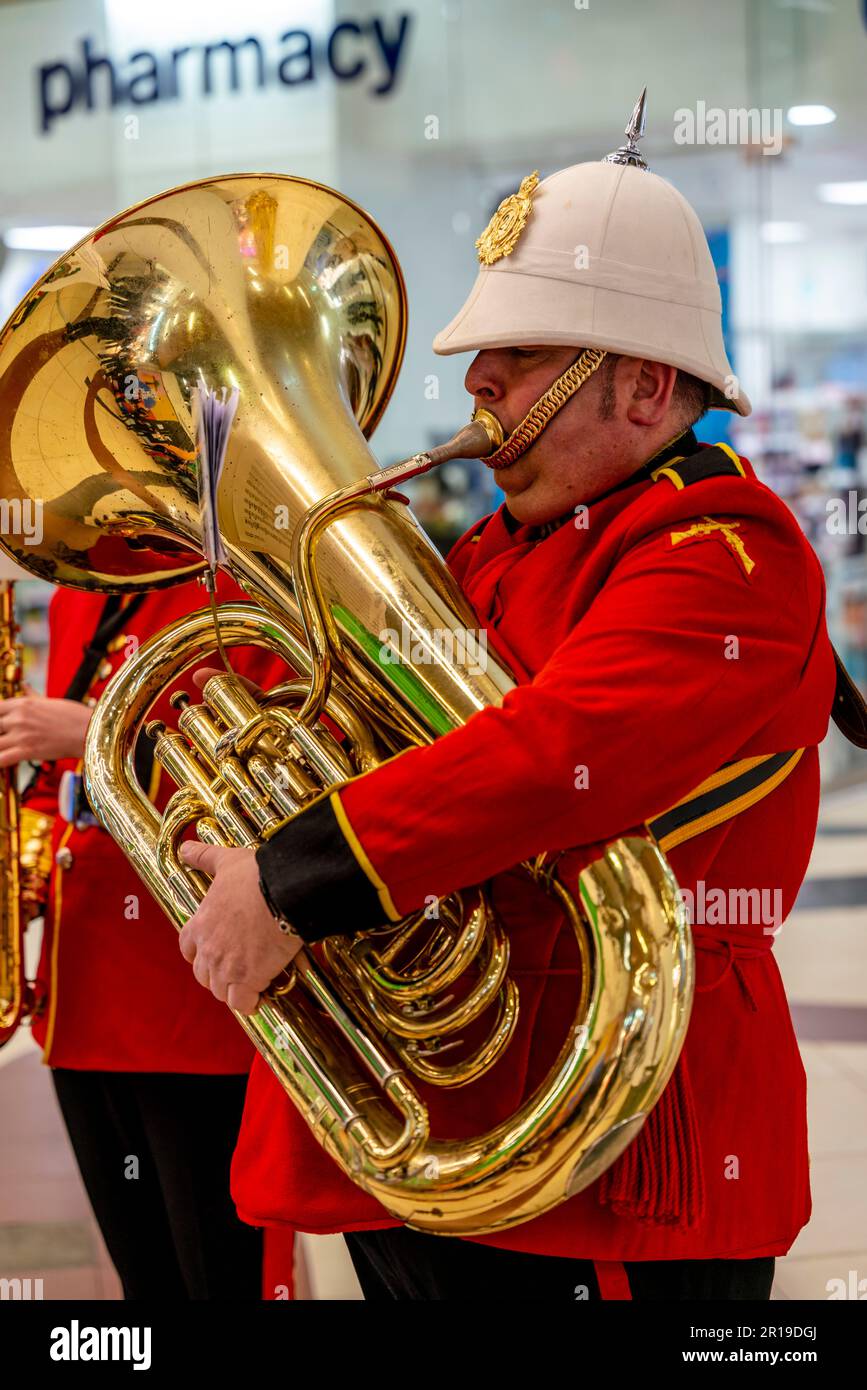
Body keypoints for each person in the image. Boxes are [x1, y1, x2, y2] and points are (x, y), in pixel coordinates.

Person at [172, 104, 858, 1300]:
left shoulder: (725, 551)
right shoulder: (501, 546)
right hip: (445, 1104)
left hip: (609, 1134)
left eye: (528, 354)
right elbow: (391, 747)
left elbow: (554, 751)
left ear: (646, 389)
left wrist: (293, 876)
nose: (478, 378)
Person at [0, 570, 294, 1300]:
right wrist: (26, 859)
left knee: (221, 1277)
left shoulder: (239, 587)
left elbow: (270, 799)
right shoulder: (81, 596)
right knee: (146, 1280)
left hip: (190, 1003)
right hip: (82, 1000)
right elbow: (54, 784)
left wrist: (90, 730)